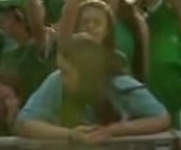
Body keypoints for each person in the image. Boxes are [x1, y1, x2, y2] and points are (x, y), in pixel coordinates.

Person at [17, 35, 171, 143]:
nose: (61, 77)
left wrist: (113, 130)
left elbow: (161, 118)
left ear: (86, 71)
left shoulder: (118, 84)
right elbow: (25, 123)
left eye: (66, 72)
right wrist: (71, 135)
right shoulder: (57, 81)